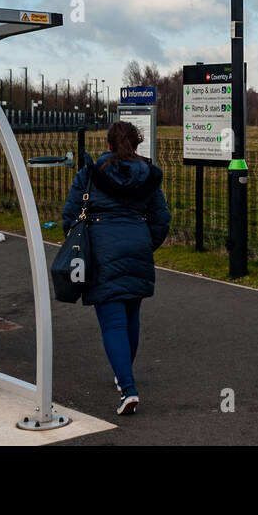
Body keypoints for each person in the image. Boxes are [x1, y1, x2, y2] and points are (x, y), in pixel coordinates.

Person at [61, 120, 170, 415]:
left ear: (108, 145)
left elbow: (70, 217)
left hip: (102, 251)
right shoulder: (148, 176)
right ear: (136, 145)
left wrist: (82, 247)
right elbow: (161, 219)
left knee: (112, 323)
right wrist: (146, 245)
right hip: (137, 247)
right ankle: (124, 375)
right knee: (131, 317)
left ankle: (129, 389)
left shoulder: (88, 175)